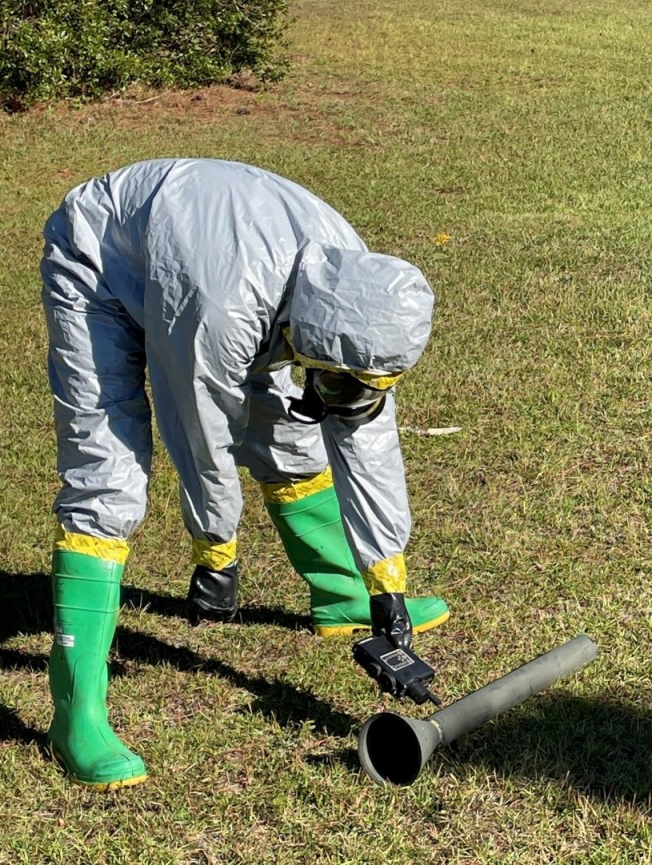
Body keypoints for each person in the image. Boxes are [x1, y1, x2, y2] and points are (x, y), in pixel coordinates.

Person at [40, 158, 450, 789]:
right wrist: (217, 554)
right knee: (106, 477)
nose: (348, 397)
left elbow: (366, 437)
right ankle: (77, 716)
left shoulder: (360, 290)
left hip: (230, 275)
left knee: (293, 438)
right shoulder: (222, 311)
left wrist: (386, 586)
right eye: (339, 381)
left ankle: (341, 594)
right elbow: (199, 429)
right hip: (103, 262)